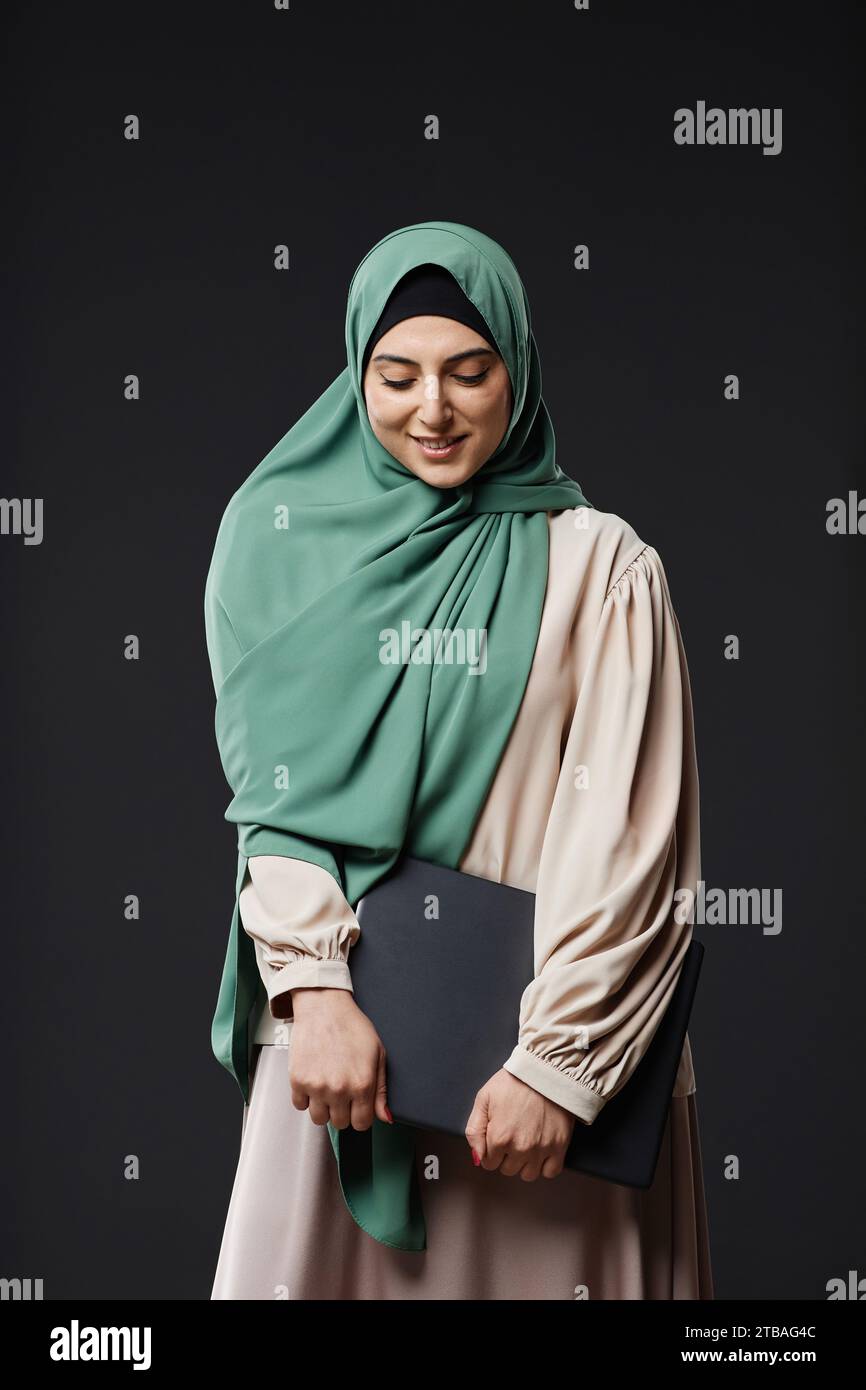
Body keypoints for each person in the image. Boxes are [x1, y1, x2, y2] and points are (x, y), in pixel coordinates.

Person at [205, 220, 714, 1300]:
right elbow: (275, 801)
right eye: (394, 376)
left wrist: (558, 1065)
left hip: (547, 1092)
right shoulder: (276, 540)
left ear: (516, 371)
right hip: (346, 1061)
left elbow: (633, 844)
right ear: (356, 373)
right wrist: (312, 991)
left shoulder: (598, 566)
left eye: (467, 372)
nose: (430, 410)